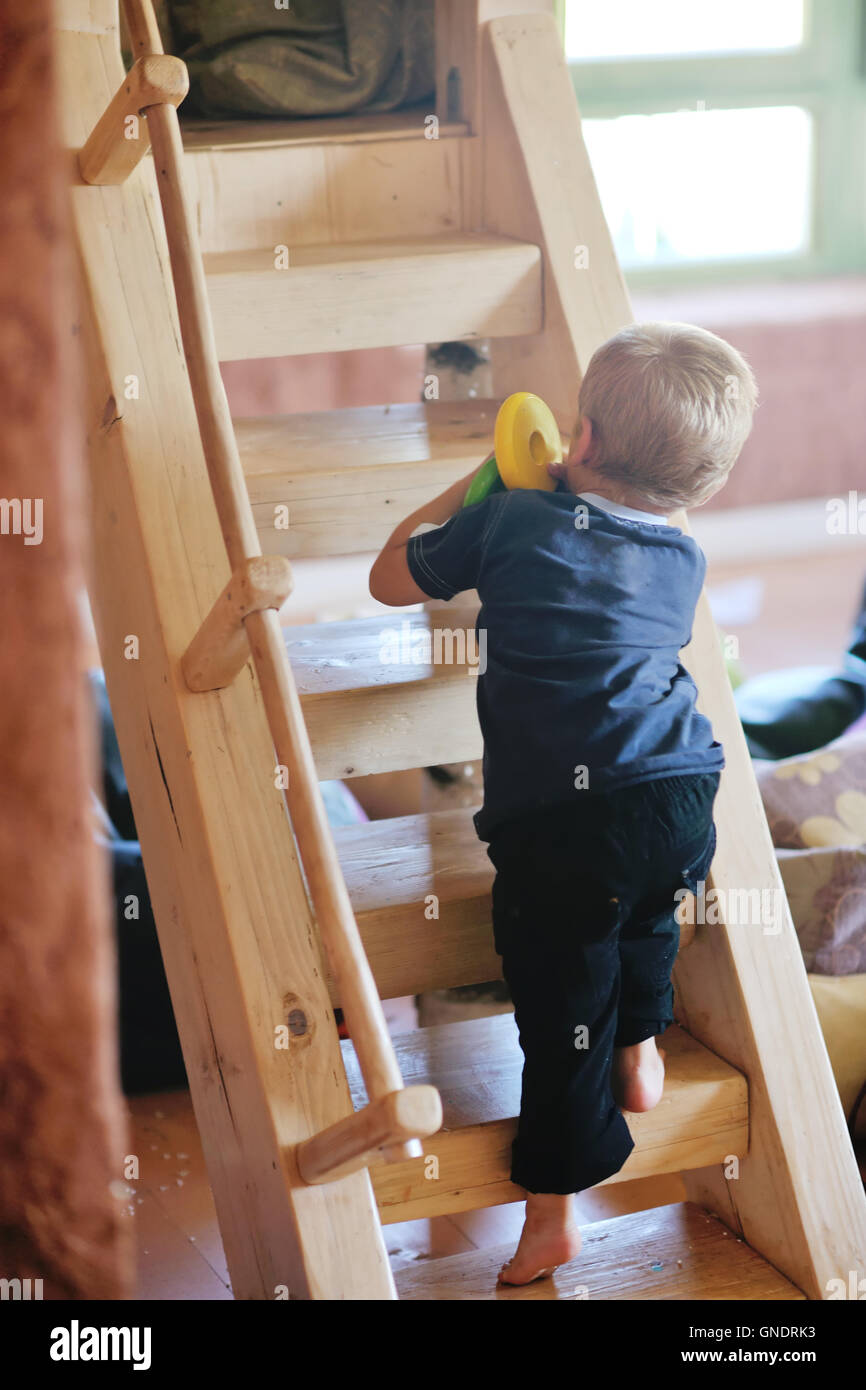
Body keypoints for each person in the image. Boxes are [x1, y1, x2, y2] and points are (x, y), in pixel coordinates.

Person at [369, 322, 758, 1286]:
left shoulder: (510, 520)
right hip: (682, 787)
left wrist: (487, 479)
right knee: (645, 918)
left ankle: (552, 1215)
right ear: (701, 488)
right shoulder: (685, 557)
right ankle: (640, 1045)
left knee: (557, 1013)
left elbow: (389, 577)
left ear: (575, 442)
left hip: (562, 823)